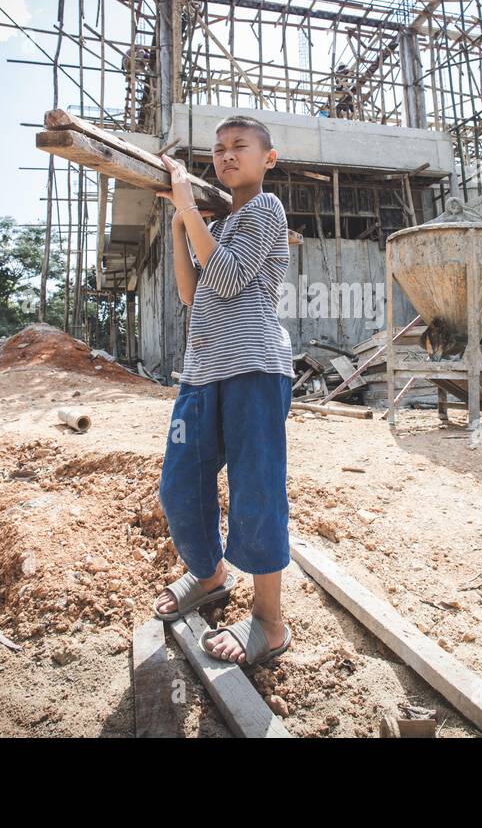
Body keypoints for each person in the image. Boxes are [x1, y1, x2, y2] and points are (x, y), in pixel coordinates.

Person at [153, 115, 296, 668]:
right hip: (201, 372)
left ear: (268, 158)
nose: (226, 155)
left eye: (240, 146)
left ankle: (269, 622)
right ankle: (211, 575)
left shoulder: (265, 210)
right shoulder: (219, 224)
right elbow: (192, 291)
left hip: (254, 370)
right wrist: (178, 223)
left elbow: (232, 279)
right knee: (180, 482)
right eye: (218, 149)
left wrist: (190, 210)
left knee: (255, 489)